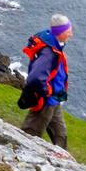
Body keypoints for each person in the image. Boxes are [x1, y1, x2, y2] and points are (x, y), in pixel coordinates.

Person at [18, 14, 73, 150]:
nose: (71, 34)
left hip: (55, 99)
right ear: (60, 32)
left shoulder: (55, 45)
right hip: (46, 101)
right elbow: (35, 77)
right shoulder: (49, 52)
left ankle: (62, 162)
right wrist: (47, 91)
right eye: (68, 31)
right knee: (30, 134)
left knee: (61, 135)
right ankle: (19, 157)